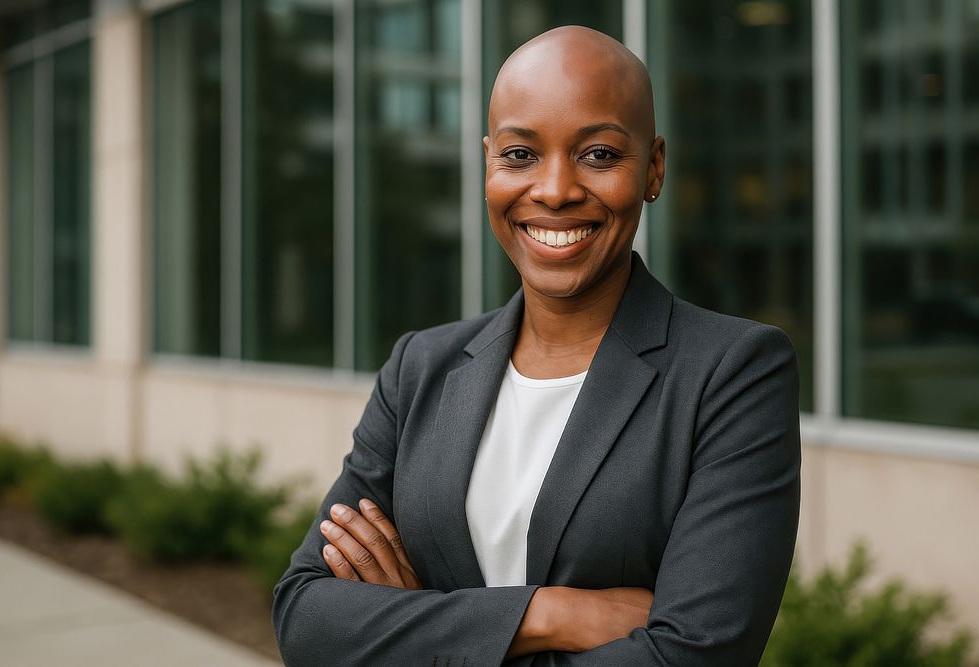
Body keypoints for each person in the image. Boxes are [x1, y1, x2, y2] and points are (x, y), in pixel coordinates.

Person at [273, 25, 800, 666]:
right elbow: (305, 617)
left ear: (654, 168)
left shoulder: (731, 373)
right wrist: (549, 614)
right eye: (521, 156)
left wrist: (416, 634)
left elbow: (694, 655)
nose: (553, 190)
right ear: (489, 163)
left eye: (599, 155)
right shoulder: (421, 369)